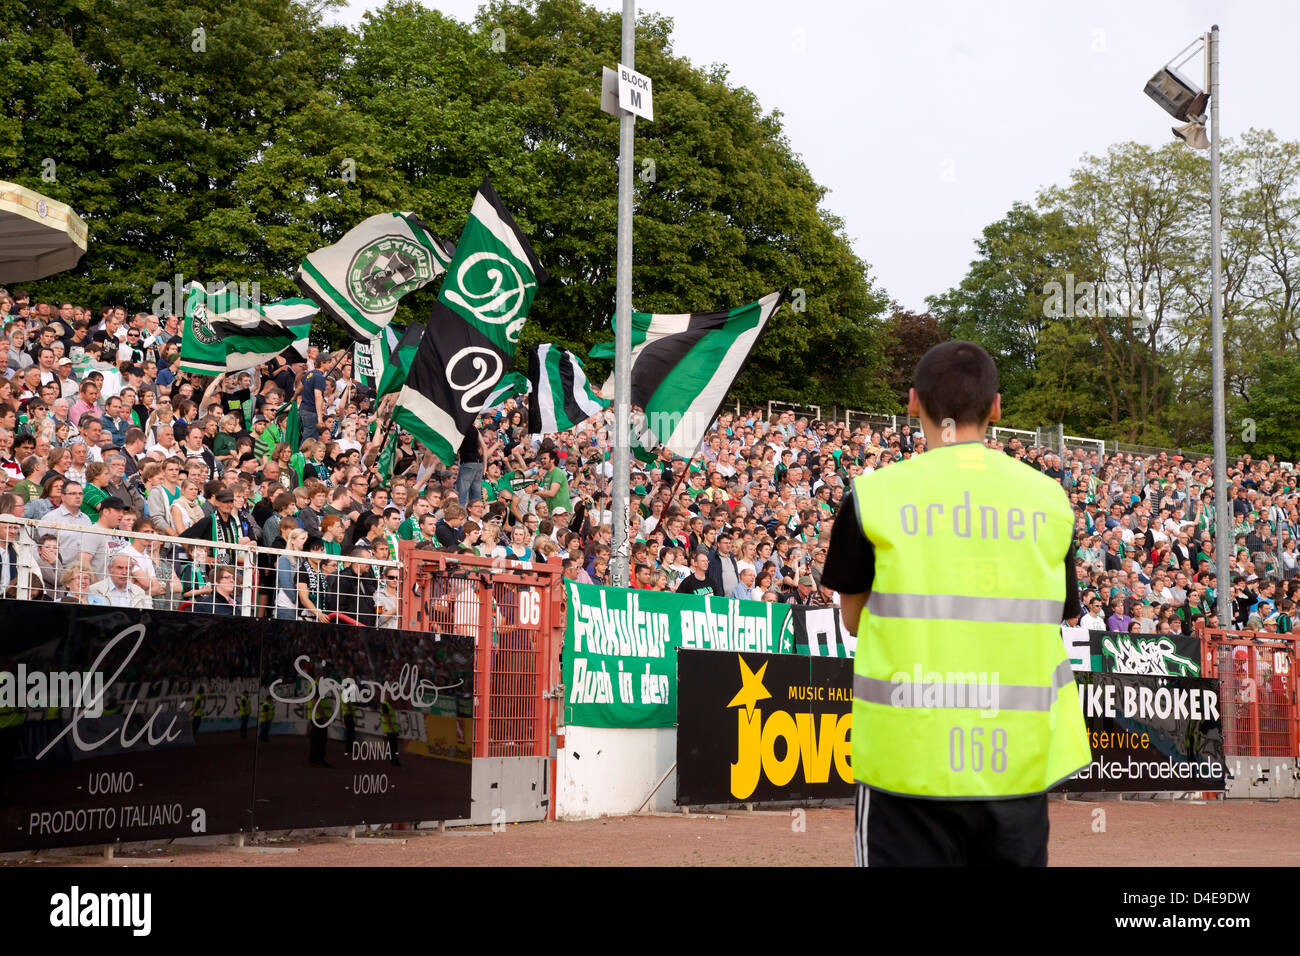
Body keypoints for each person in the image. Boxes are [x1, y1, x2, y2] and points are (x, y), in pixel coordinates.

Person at [821, 341, 1090, 867]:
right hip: (1015, 760)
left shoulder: (872, 496)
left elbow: (853, 621)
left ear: (912, 401)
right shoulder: (1049, 499)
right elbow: (1057, 612)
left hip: (908, 759)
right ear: (996, 408)